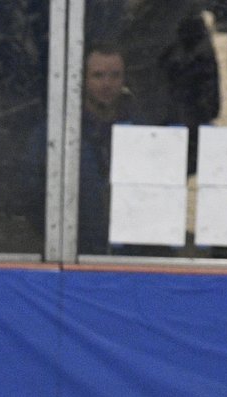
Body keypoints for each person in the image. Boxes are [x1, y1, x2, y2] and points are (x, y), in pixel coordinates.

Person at [77, 43, 130, 254]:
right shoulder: (60, 131)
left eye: (115, 75)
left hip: (130, 256)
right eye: (98, 76)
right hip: (77, 250)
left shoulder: (142, 130)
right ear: (83, 80)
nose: (107, 84)